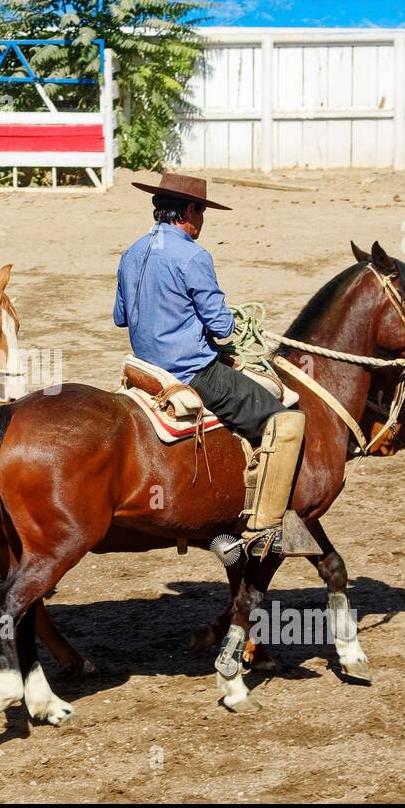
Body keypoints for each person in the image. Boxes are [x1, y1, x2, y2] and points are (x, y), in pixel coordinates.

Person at [113, 172, 305, 542]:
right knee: (285, 422)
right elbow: (222, 328)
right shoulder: (193, 256)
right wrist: (228, 318)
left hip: (146, 368)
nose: (201, 221)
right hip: (191, 371)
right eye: (201, 212)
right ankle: (265, 526)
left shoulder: (131, 252)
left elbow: (121, 317)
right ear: (189, 211)